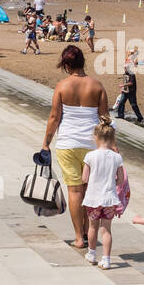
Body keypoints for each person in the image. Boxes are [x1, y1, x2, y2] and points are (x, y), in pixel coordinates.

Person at [41, 46, 110, 249]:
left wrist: (46, 142)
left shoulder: (62, 86)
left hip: (68, 144)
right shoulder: (97, 86)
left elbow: (54, 117)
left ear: (66, 64)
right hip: (92, 145)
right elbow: (105, 119)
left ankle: (79, 238)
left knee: (74, 191)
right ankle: (90, 235)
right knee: (90, 190)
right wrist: (112, 145)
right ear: (83, 62)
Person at [80, 122, 126, 270]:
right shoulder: (117, 158)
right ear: (112, 138)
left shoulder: (90, 156)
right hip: (109, 198)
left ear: (96, 137)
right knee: (106, 229)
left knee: (92, 227)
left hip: (93, 198)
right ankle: (106, 259)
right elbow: (120, 179)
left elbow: (84, 178)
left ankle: (92, 254)